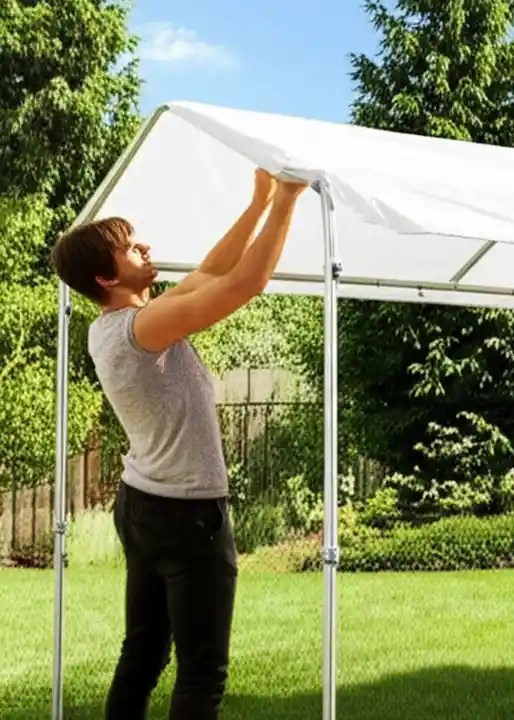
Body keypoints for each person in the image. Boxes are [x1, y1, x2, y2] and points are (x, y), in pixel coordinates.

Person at [51, 168, 309, 719]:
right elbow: (242, 285)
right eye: (128, 247)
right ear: (106, 278)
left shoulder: (115, 326)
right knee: (202, 671)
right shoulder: (142, 327)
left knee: (142, 653)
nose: (144, 247)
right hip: (187, 515)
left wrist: (259, 201)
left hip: (144, 505)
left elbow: (211, 271)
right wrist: (288, 199)